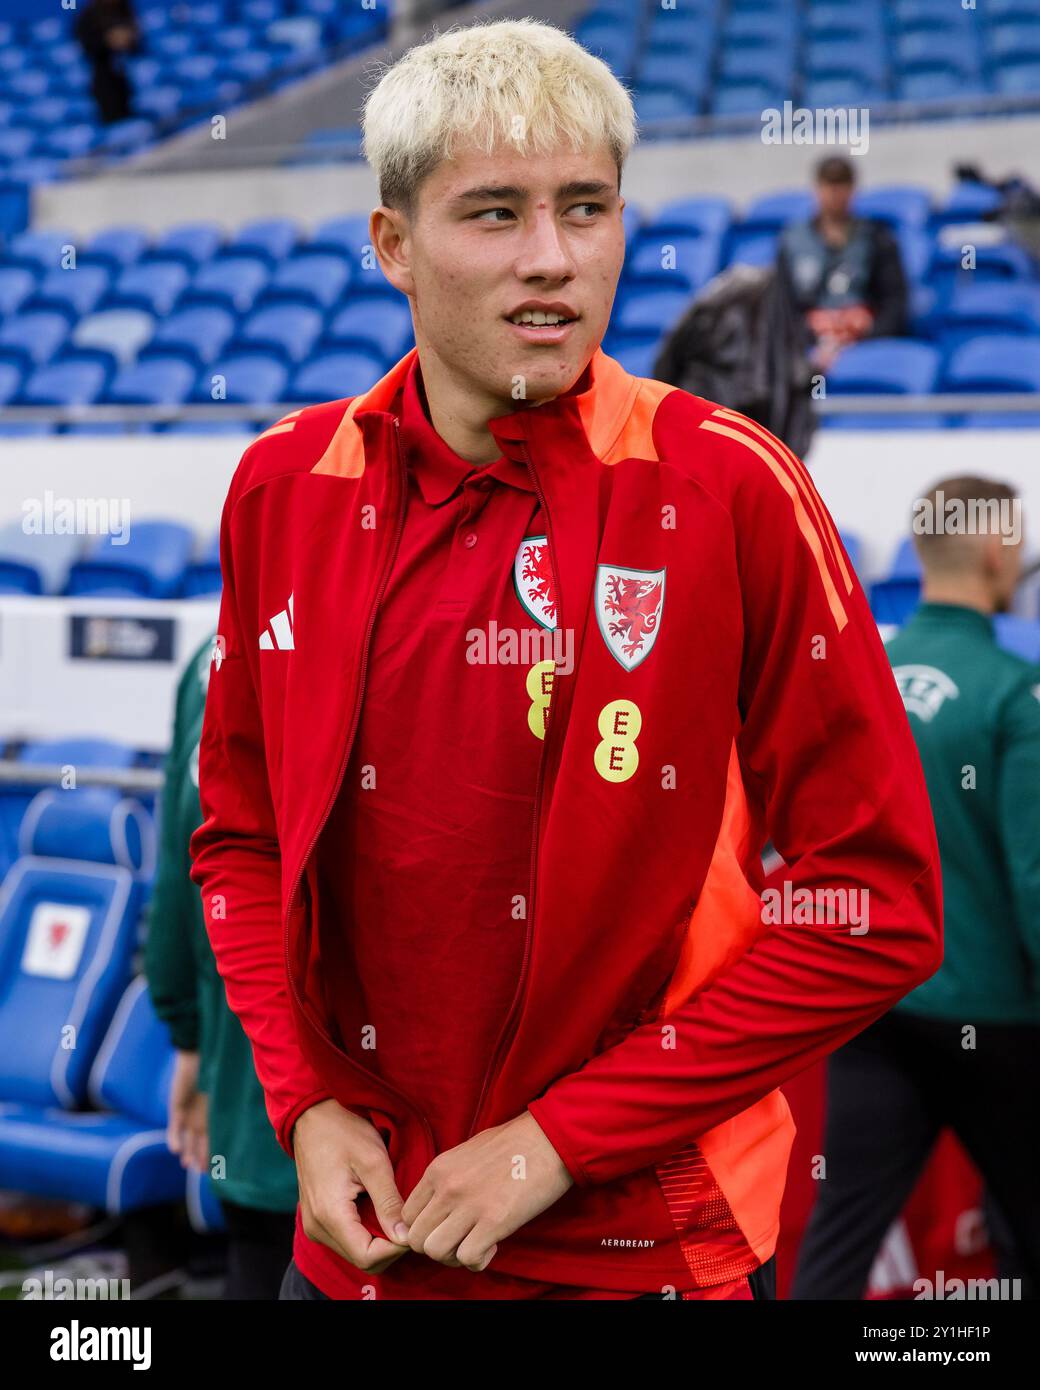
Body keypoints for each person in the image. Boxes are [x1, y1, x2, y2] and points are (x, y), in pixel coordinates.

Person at [189, 18, 942, 1303]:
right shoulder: (283, 488)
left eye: (583, 208)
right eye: (492, 213)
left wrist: (554, 1144)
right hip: (355, 1249)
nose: (551, 261)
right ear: (393, 248)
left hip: (643, 1255)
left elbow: (873, 905)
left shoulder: (731, 487)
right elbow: (241, 838)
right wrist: (308, 1102)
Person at [792, 476, 1040, 1300]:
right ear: (1000, 549)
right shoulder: (1016, 694)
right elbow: (1034, 880)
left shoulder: (860, 672)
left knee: (839, 1239)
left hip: (873, 1007)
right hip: (998, 1018)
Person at [145, 634, 299, 1300]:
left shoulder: (215, 656)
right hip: (361, 1115)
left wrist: (193, 1043)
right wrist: (190, 1039)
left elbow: (185, 877)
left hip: (254, 1089)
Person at [777, 154, 908, 369]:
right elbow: (782, 306)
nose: (835, 194)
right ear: (817, 189)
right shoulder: (792, 241)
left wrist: (865, 332)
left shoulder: (877, 238)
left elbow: (895, 302)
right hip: (809, 342)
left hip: (866, 343)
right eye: (829, 185)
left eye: (842, 185)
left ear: (853, 188)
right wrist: (813, 331)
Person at [75, 0, 140, 126]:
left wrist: (129, 38)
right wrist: (108, 41)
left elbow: (137, 41)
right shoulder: (87, 16)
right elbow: (88, 48)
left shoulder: (123, 8)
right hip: (106, 83)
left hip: (128, 77)